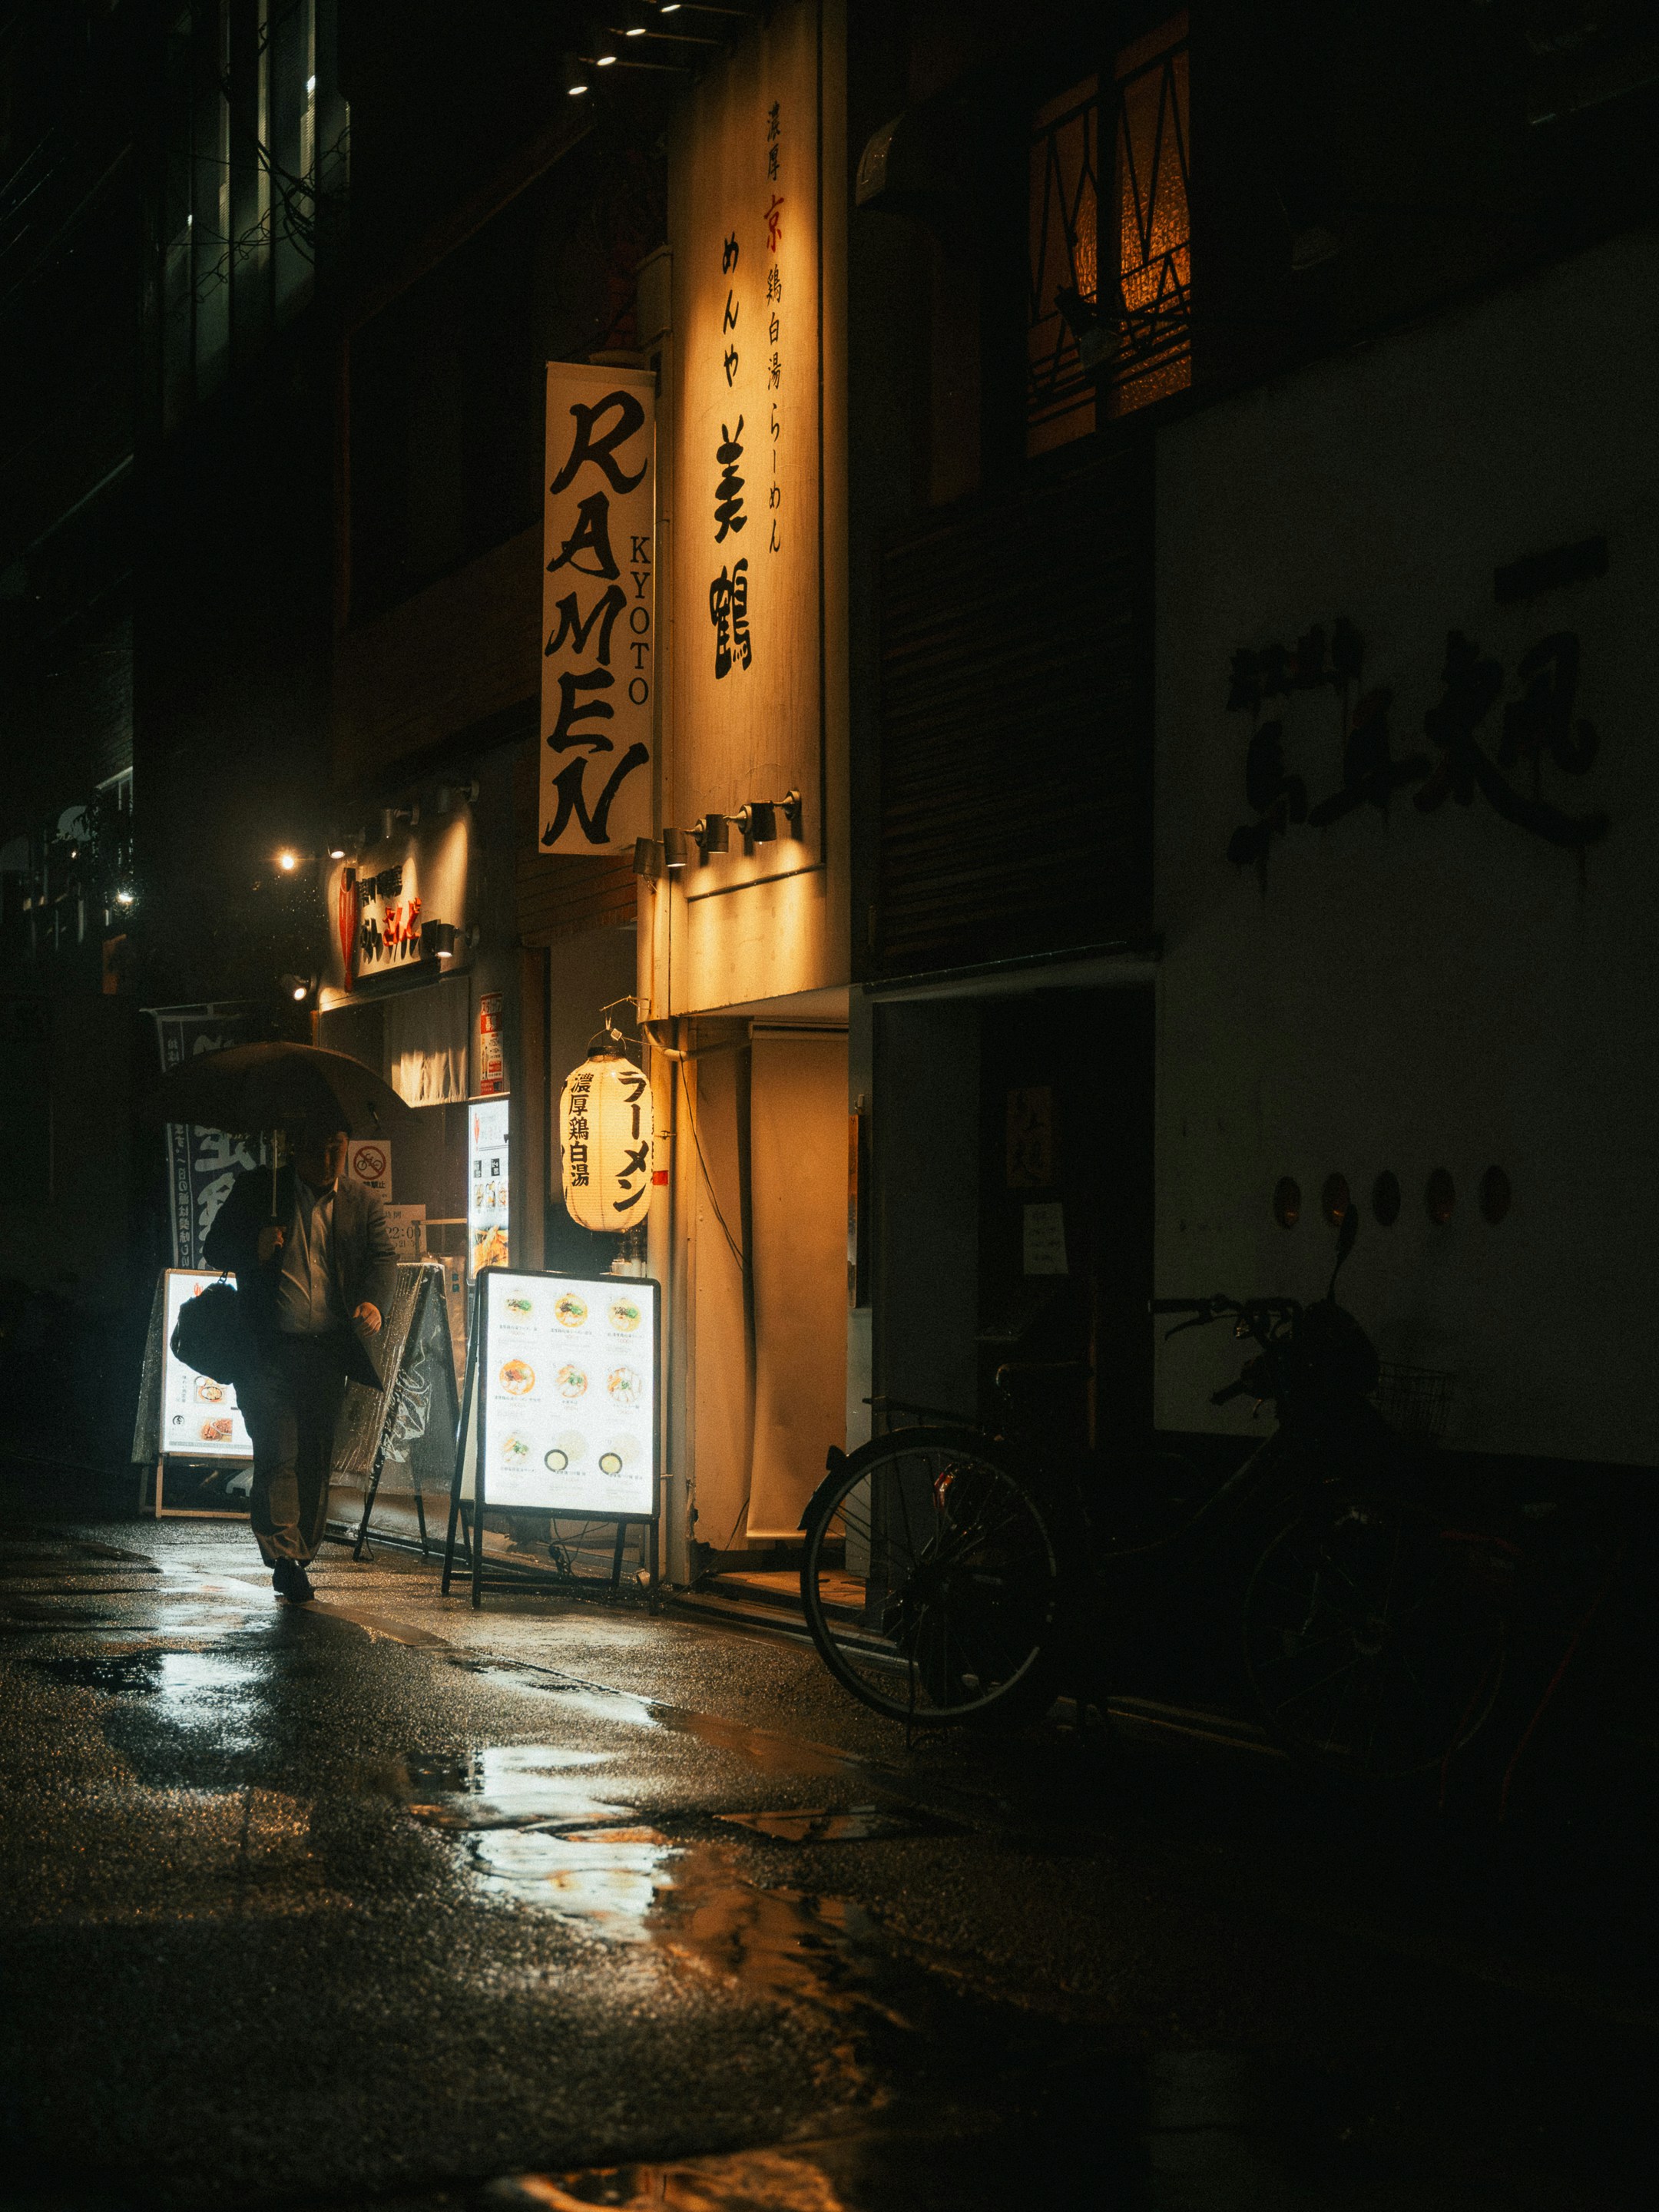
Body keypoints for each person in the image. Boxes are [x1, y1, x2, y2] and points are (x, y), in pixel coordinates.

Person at [204, 1119, 396, 1603]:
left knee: (315, 1455)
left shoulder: (361, 1202)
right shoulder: (259, 1190)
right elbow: (213, 1248)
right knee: (277, 1450)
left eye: (337, 1148)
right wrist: (255, 1246)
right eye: (319, 1149)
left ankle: (302, 1552)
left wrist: (374, 1302)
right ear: (295, 1149)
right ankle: (284, 1556)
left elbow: (382, 1259)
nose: (329, 1160)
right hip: (266, 1349)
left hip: (327, 1351)